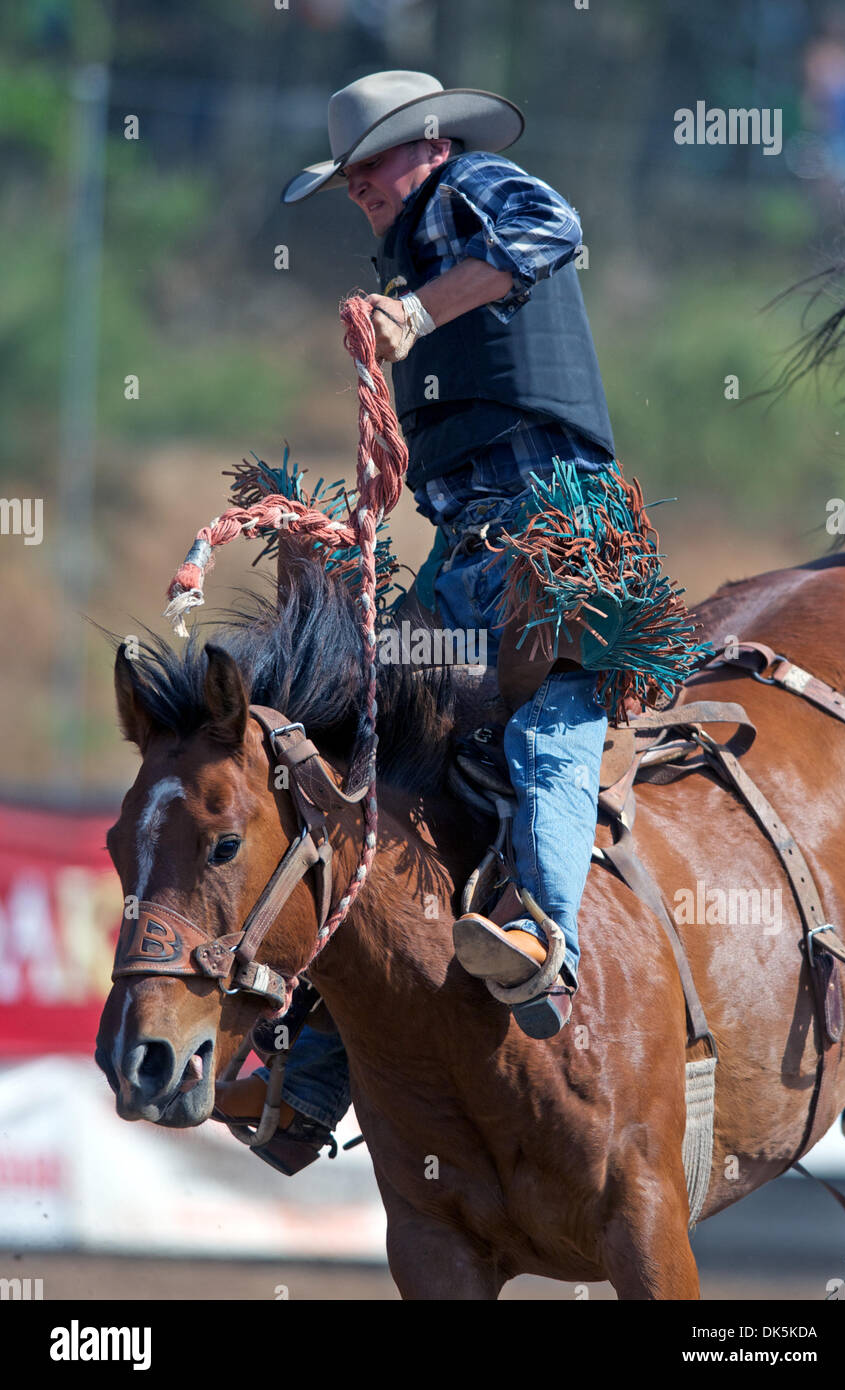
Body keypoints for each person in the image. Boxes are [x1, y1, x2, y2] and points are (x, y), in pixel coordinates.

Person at [214, 70, 621, 1173]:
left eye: (369, 168)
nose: (358, 191)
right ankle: (315, 1067)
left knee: (552, 717)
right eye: (346, 179)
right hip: (465, 544)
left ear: (428, 145)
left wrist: (416, 310)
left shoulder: (476, 189)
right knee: (382, 759)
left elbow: (557, 225)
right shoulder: (423, 244)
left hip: (555, 521)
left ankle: (543, 927)